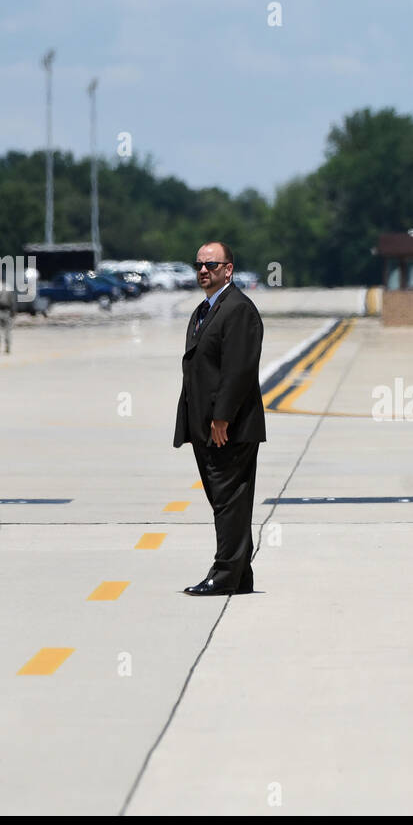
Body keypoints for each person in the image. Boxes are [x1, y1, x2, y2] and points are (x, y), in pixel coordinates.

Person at [173, 242, 265, 595]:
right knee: (227, 500)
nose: (203, 271)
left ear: (229, 269)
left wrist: (222, 417)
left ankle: (225, 573)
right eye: (198, 264)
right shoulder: (205, 309)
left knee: (228, 500)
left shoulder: (238, 309)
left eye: (211, 265)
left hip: (229, 428)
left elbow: (239, 369)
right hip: (204, 425)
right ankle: (240, 574)